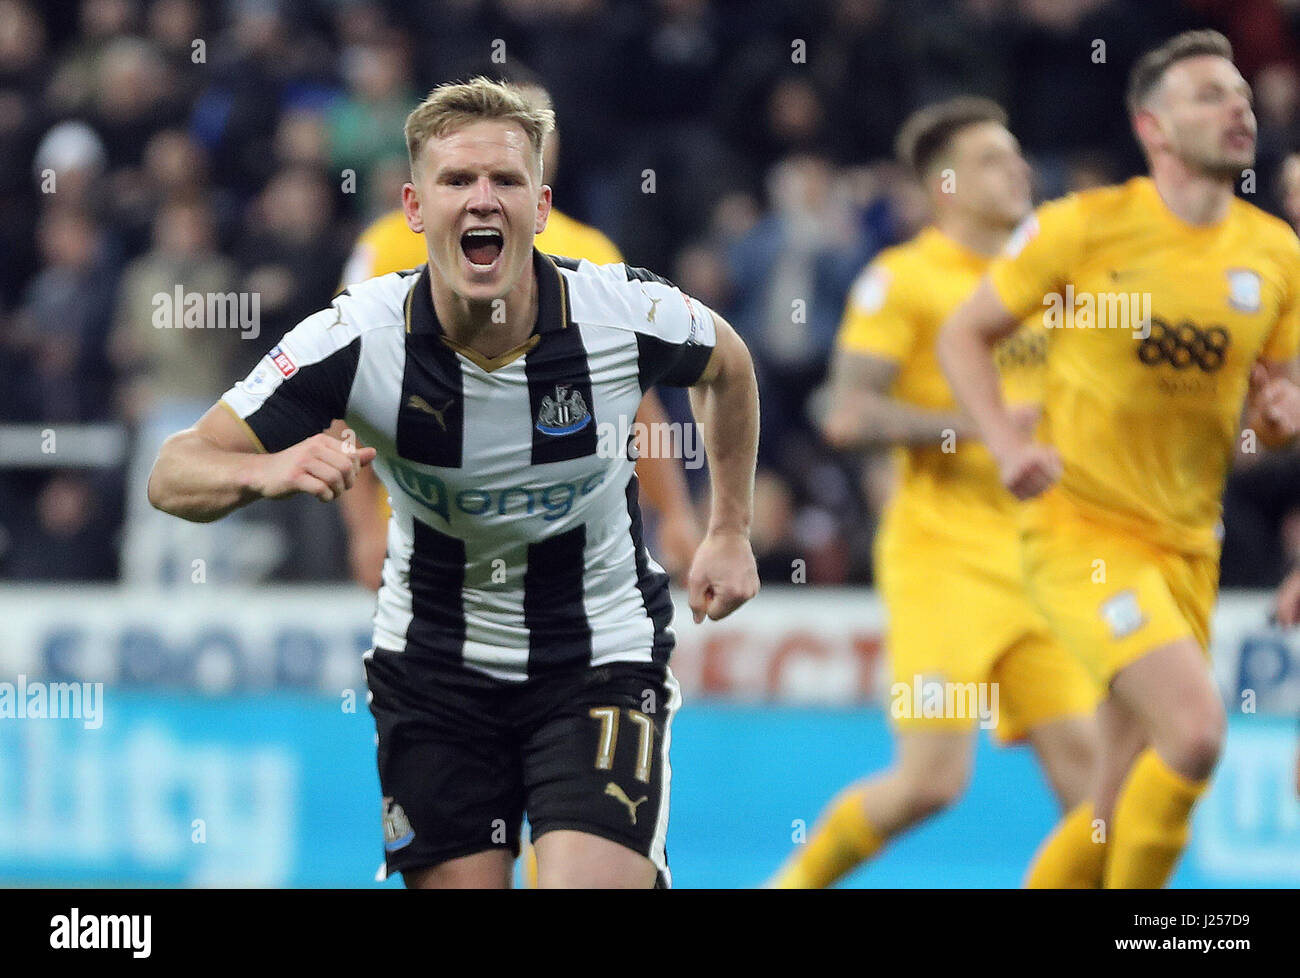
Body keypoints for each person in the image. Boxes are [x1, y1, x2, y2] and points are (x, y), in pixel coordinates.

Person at [147, 77, 760, 888]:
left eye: (505, 181)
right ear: (413, 206)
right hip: (434, 669)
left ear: (540, 208)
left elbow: (729, 364)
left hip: (598, 654)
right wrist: (270, 468)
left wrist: (727, 528)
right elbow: (173, 469)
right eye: (457, 181)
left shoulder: (620, 311)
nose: (483, 200)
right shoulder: (355, 336)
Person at [938, 31, 1300, 888]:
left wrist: (1282, 415)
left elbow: (1278, 405)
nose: (1238, 107)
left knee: (1111, 804)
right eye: (1209, 94)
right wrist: (1004, 439)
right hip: (1083, 532)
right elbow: (965, 332)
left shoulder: (1276, 255)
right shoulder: (1084, 227)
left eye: (1242, 93)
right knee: (1197, 733)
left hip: (1187, 545)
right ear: (1154, 128)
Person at [769, 98, 1097, 889]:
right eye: (991, 158)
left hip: (1044, 559)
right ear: (944, 185)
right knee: (932, 783)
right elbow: (845, 414)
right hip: (944, 561)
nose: (1017, 168)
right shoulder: (904, 280)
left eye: (1016, 153)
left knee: (1096, 797)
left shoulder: (1054, 277)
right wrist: (979, 425)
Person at [336, 82, 700, 592]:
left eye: (538, 126)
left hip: (560, 551)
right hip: (422, 541)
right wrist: (364, 528)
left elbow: (633, 398)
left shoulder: (589, 250)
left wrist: (677, 513)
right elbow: (345, 389)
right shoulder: (391, 243)